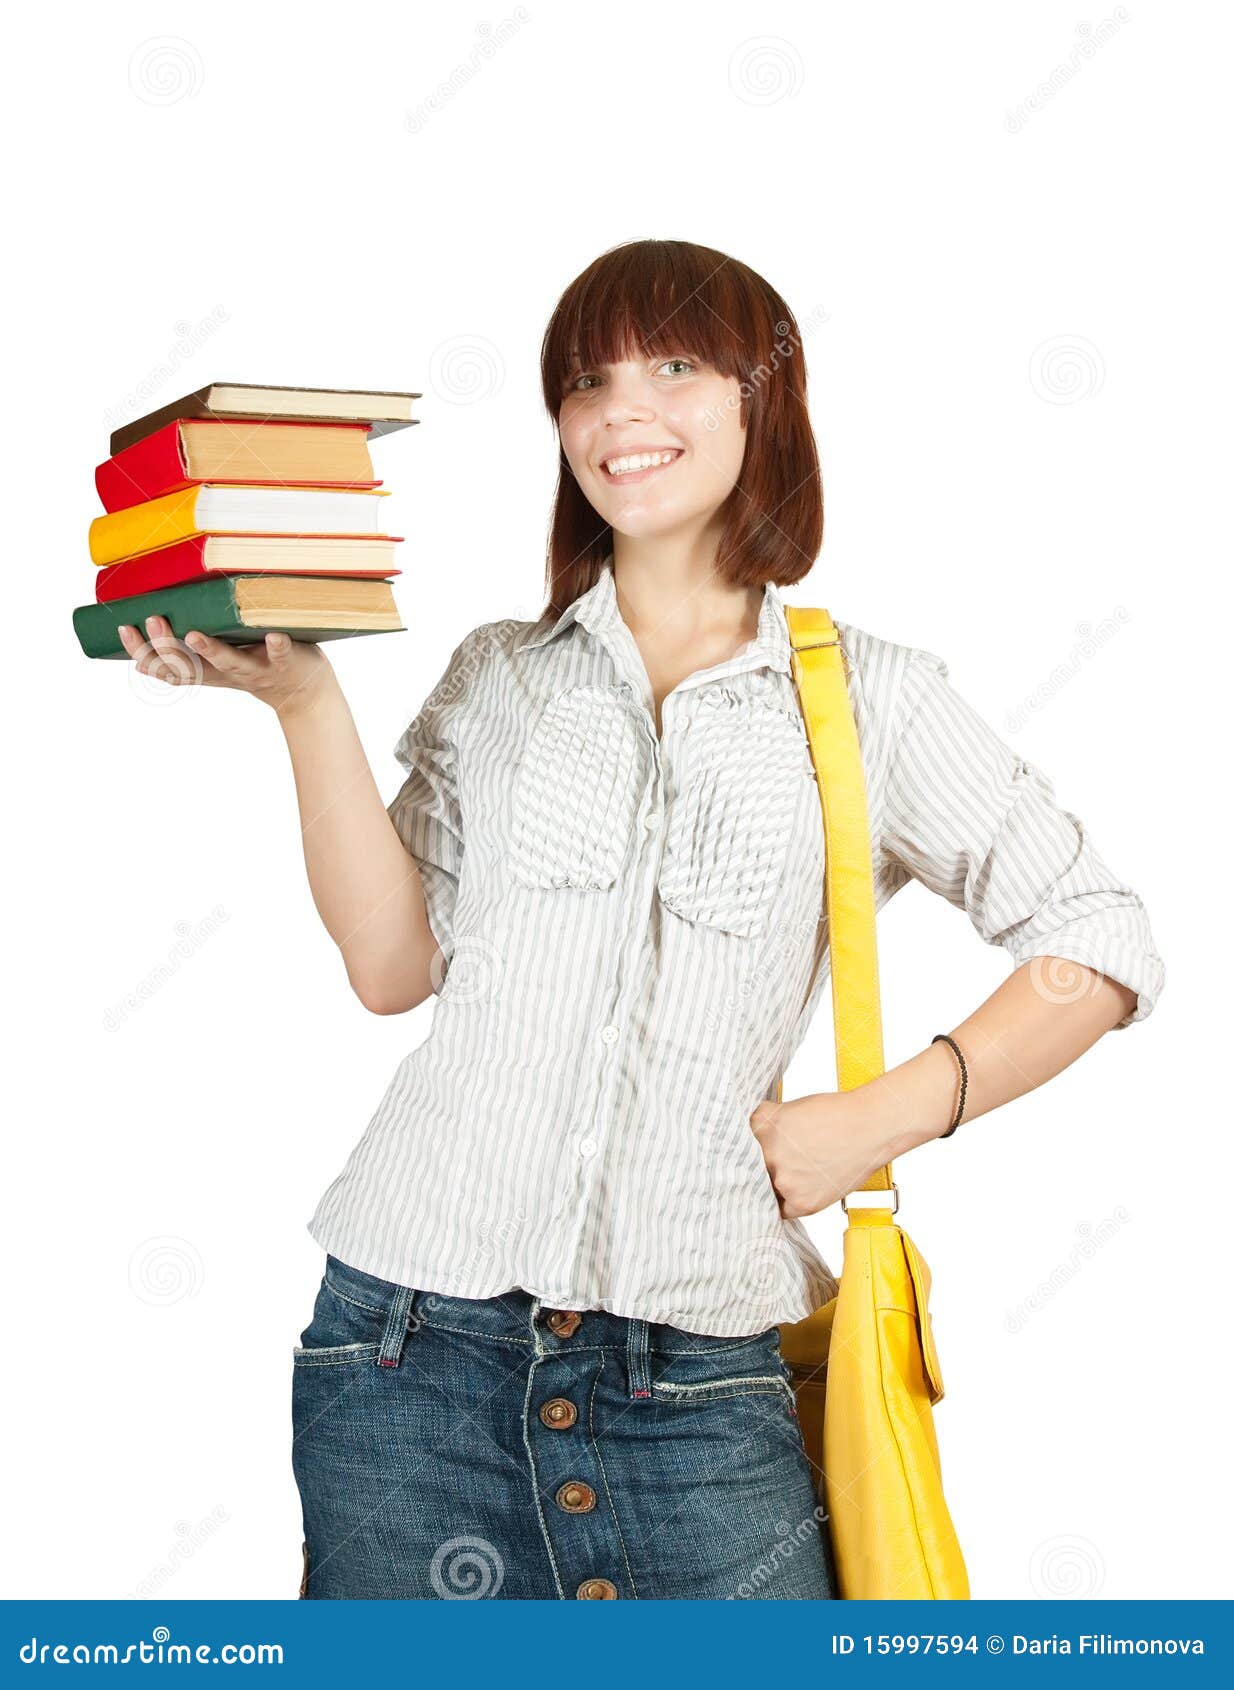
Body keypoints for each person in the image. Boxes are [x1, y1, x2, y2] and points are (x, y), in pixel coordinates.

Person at [117, 239, 1164, 1601]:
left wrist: (889, 1111)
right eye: (585, 380)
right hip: (403, 1352)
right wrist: (306, 705)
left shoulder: (872, 700)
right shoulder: (498, 673)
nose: (622, 411)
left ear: (759, 402)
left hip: (699, 1377)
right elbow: (390, 968)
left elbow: (1100, 935)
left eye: (674, 365)